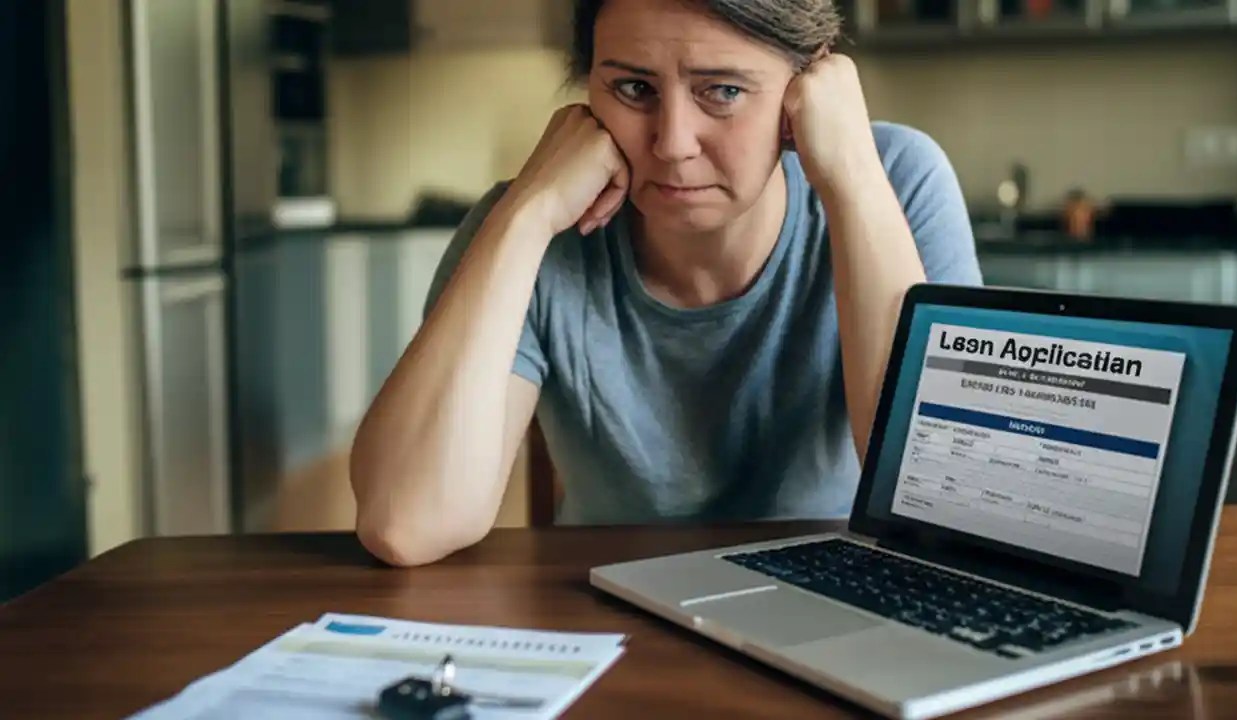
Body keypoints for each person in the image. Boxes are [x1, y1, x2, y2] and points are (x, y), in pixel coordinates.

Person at [350, 0, 982, 567]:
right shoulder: (530, 223)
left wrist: (850, 178)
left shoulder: (895, 180)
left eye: (724, 91)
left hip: (841, 604)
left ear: (806, 90)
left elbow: (937, 488)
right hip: (608, 613)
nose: (673, 144)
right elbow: (406, 524)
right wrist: (527, 214)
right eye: (632, 87)